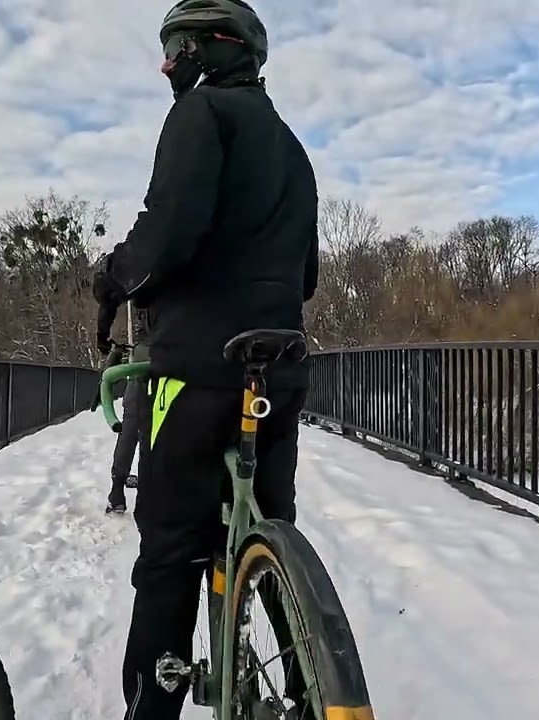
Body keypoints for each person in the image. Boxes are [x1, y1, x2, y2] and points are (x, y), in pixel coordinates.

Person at [91, 1, 319, 717]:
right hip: (278, 365)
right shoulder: (290, 144)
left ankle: (150, 705)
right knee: (269, 520)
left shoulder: (201, 113)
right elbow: (306, 274)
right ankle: (306, 682)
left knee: (169, 547)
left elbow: (165, 237)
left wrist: (111, 275)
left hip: (197, 366)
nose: (168, 62)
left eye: (177, 46)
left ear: (218, 47)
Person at [103, 301, 150, 515]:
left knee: (129, 434)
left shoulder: (146, 292)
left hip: (141, 379)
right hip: (175, 372)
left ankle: (117, 493)